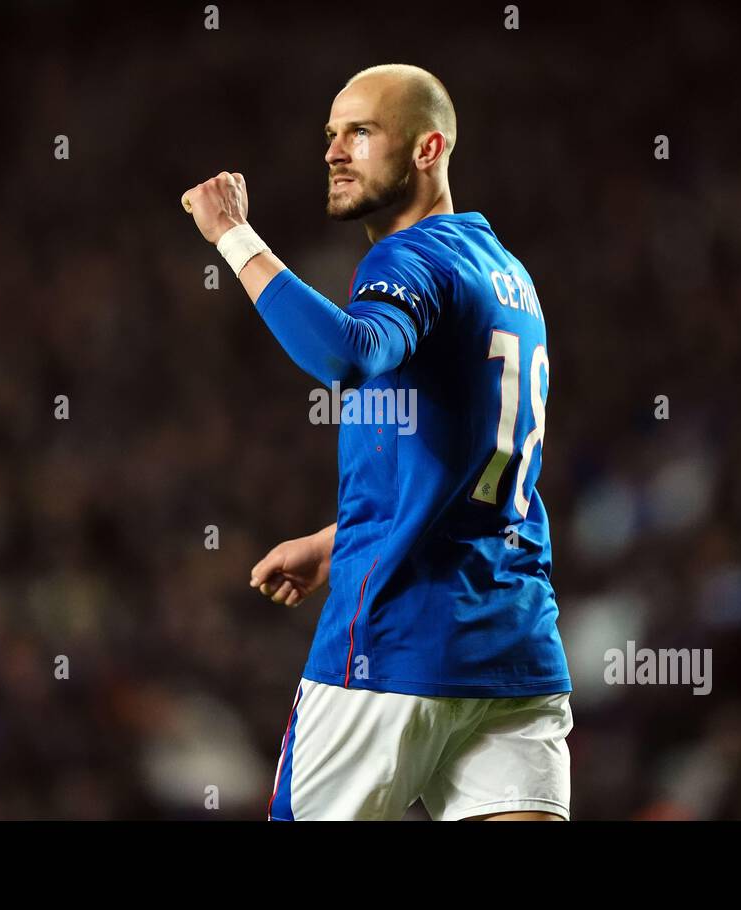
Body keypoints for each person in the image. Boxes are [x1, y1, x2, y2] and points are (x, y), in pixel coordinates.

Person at [182, 63, 572, 821]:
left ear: (428, 150)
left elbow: (348, 356)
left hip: (395, 644)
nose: (333, 151)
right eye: (330, 134)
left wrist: (231, 234)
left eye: (360, 132)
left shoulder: (409, 257)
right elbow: (478, 464)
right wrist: (336, 541)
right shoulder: (506, 273)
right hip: (514, 651)